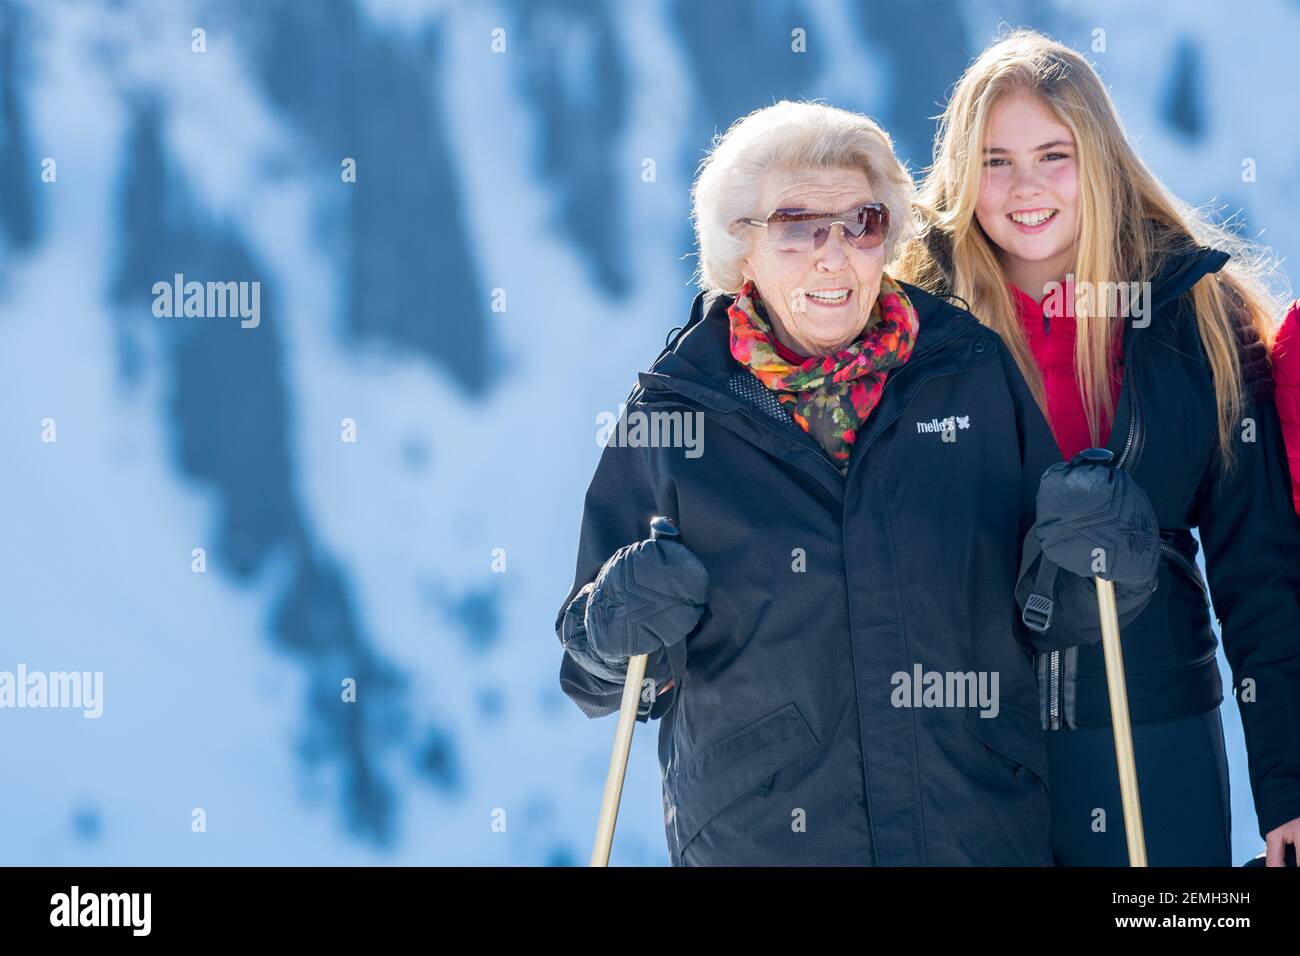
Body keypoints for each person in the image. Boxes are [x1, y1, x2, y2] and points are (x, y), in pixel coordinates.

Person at [554, 100, 1158, 866]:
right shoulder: (675, 417)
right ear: (742, 253)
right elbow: (600, 676)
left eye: (862, 224)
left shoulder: (965, 372)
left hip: (973, 833)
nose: (833, 256)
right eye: (799, 226)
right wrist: (616, 626)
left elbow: (1060, 612)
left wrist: (1108, 544)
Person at [895, 29, 1300, 866]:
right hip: (972, 741)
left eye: (1054, 153)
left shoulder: (1195, 318)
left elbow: (1258, 571)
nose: (1025, 186)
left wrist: (1291, 792)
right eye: (996, 161)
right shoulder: (911, 332)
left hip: (1153, 729)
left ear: (1101, 159)